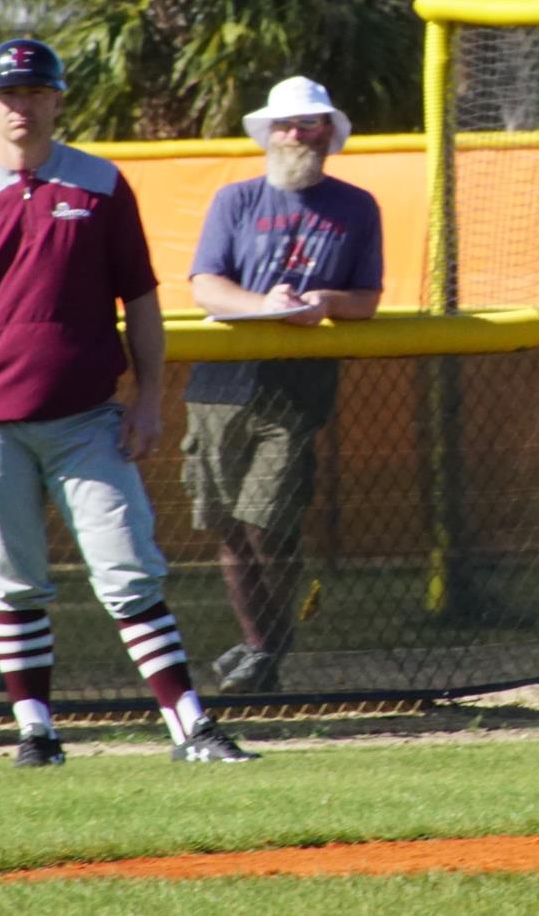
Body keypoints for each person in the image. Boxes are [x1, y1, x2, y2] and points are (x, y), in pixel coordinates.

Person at [0, 38, 257, 766]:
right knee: (13, 579)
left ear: (58, 99)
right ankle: (36, 731)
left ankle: (190, 726)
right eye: (7, 93)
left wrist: (150, 400)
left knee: (128, 568)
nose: (20, 105)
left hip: (89, 418)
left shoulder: (99, 184)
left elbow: (143, 302)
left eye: (34, 91)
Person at [182, 76, 382, 695]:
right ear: (268, 133)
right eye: (287, 124)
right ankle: (257, 650)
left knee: (270, 524)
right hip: (218, 386)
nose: (297, 134)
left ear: (329, 132)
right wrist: (264, 304)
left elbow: (368, 300)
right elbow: (205, 286)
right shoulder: (234, 200)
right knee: (230, 529)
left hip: (295, 395)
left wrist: (324, 300)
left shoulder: (357, 206)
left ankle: (268, 648)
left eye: (310, 124)